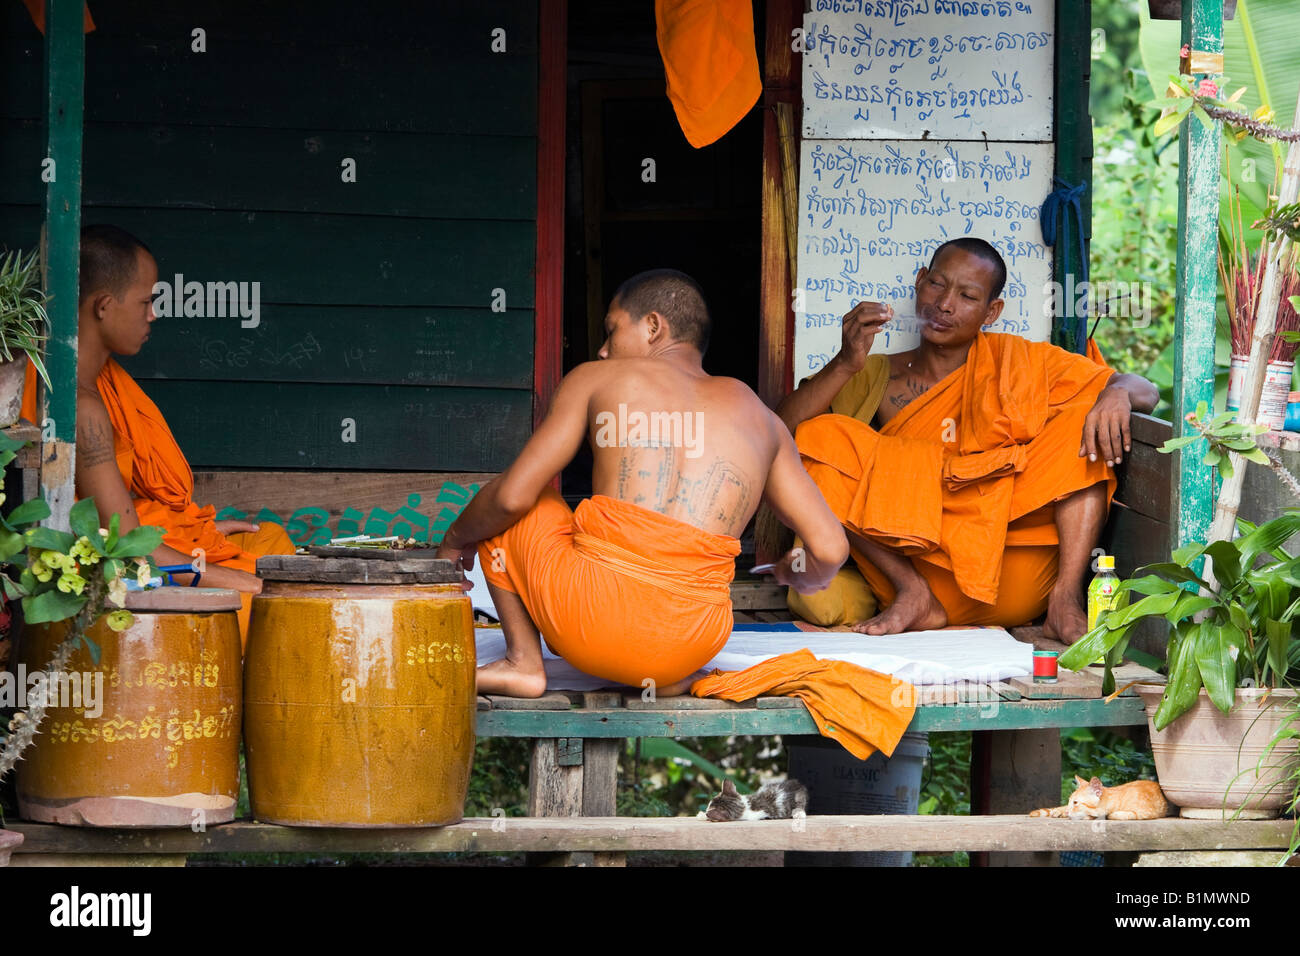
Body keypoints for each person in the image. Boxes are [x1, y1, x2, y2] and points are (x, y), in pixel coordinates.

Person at [437, 269, 849, 698]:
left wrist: (453, 539)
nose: (601, 350)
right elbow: (831, 549)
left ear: (653, 326)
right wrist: (798, 576)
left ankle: (522, 662)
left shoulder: (596, 379)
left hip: (591, 627)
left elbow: (510, 498)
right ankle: (660, 673)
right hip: (694, 644)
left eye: (611, 331)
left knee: (527, 500)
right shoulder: (763, 420)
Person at [774, 237, 1159, 644]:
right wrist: (844, 363)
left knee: (1080, 420)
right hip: (915, 568)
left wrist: (1115, 392)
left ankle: (1063, 601)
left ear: (991, 311)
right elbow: (779, 433)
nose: (944, 304)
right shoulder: (875, 374)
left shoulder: (1020, 362)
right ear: (919, 282)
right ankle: (913, 593)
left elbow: (1144, 391)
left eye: (967, 295)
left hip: (1011, 572)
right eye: (937, 285)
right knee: (819, 437)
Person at [22, 225, 295, 646]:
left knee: (269, 540)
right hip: (107, 567)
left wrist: (193, 531)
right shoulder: (79, 402)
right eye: (146, 301)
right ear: (104, 306)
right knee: (275, 603)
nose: (153, 314)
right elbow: (128, 546)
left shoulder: (96, 380)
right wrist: (228, 577)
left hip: (130, 533)